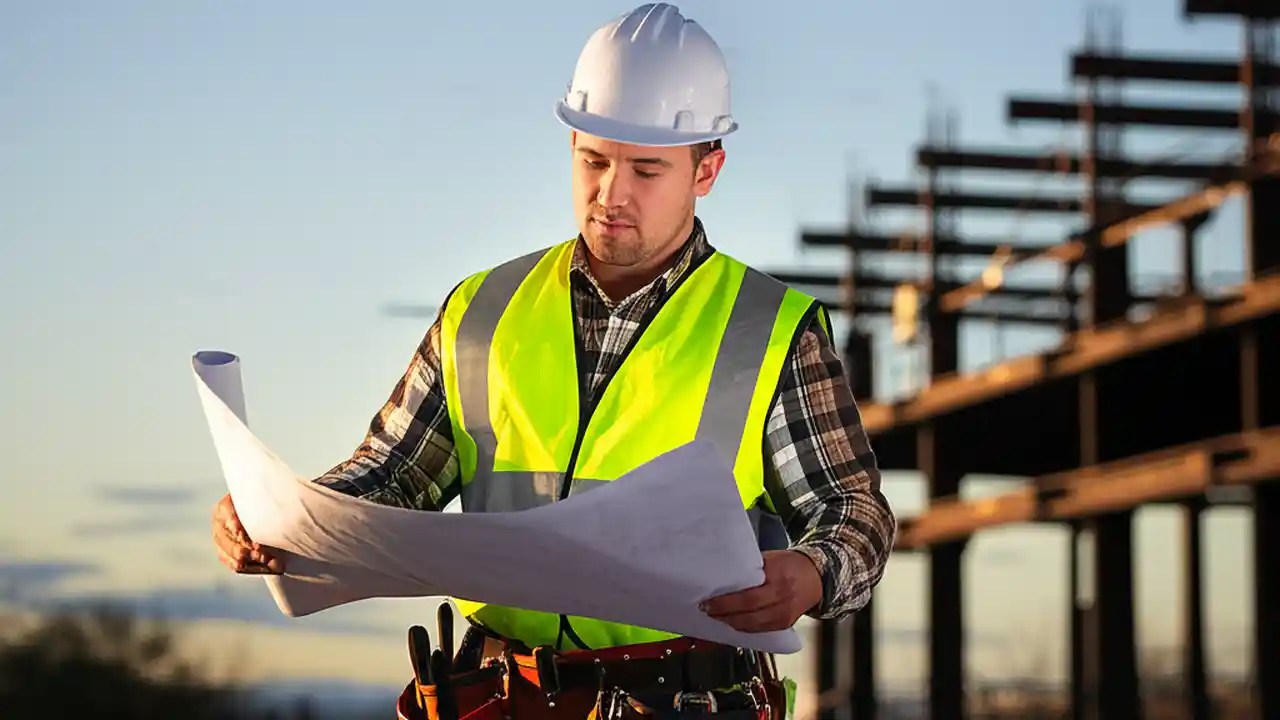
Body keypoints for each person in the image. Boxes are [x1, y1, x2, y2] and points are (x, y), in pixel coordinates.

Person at [210, 3, 895, 719]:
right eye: (593, 160)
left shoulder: (770, 330)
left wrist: (813, 572)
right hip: (501, 699)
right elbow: (392, 474)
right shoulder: (482, 311)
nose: (611, 194)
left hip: (682, 699)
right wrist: (280, 516)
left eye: (647, 170)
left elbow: (854, 512)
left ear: (707, 170)